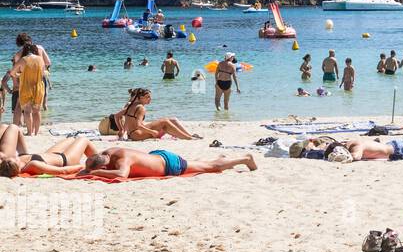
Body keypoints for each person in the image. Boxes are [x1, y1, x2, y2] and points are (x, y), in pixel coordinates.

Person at [79, 147, 257, 180]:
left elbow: (121, 175)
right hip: (157, 156)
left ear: (103, 166)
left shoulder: (122, 160)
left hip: (170, 165)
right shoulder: (107, 153)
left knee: (212, 168)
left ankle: (245, 158)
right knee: (202, 164)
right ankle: (223, 158)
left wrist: (94, 173)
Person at [106, 88, 196, 141]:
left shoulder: (131, 105)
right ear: (140, 98)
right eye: (147, 97)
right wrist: (152, 132)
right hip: (136, 135)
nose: (150, 99)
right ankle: (188, 138)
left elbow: (116, 116)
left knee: (171, 120)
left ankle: (189, 136)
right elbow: (138, 125)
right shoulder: (141, 108)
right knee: (164, 121)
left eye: (150, 97)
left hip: (132, 134)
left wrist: (121, 130)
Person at [1, 136, 102, 178]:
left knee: (71, 139)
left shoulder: (13, 165)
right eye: (14, 159)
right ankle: (100, 163)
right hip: (66, 160)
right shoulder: (33, 165)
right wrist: (83, 167)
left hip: (51, 154)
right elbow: (63, 171)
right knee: (83, 140)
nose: (14, 156)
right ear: (17, 167)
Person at [15, 41, 45, 135]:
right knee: (36, 111)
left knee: (27, 111)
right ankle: (36, 132)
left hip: (26, 87)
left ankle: (29, 132)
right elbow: (43, 72)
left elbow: (12, 72)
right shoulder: (40, 59)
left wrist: (19, 74)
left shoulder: (23, 59)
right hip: (39, 87)